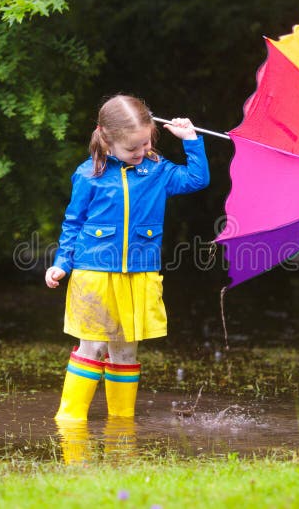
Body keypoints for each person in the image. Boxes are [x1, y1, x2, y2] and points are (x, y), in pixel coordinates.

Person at [46, 94, 210, 422]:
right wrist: (62, 263)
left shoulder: (158, 171)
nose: (140, 153)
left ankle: (121, 423)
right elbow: (73, 223)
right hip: (93, 273)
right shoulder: (88, 175)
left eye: (145, 144)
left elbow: (197, 179)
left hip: (139, 274)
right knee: (91, 347)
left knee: (125, 350)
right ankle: (69, 421)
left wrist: (191, 139)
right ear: (106, 141)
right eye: (131, 149)